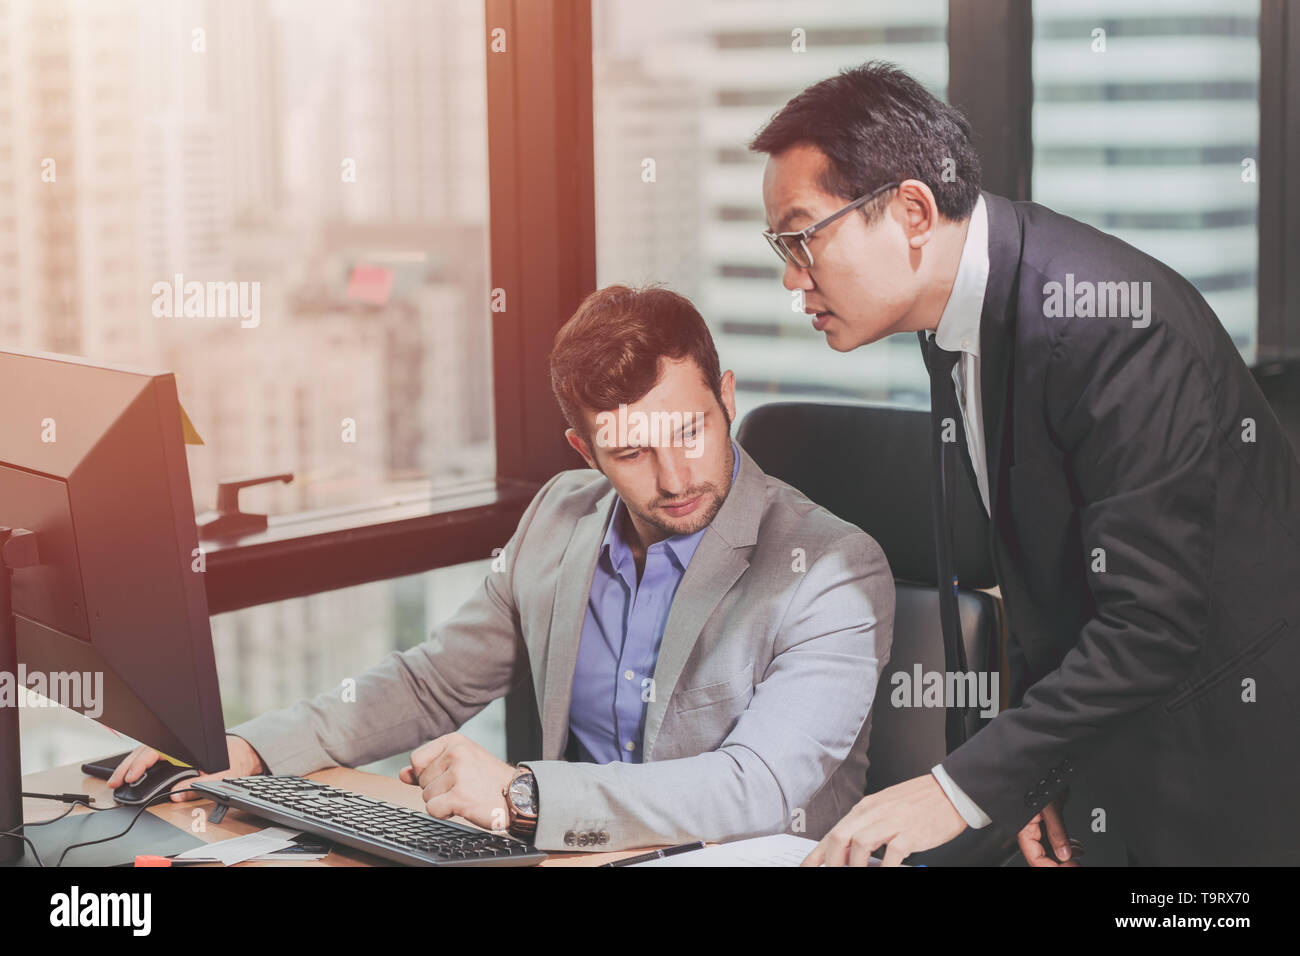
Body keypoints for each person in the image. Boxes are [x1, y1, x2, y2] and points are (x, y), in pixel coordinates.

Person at [110, 284, 895, 853]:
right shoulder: (560, 516)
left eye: (691, 430)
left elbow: (755, 786)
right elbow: (433, 683)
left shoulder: (832, 568)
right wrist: (249, 748)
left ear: (725, 398)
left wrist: (524, 795)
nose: (676, 475)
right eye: (631, 452)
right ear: (586, 453)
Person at [750, 61, 1300, 866]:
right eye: (780, 248)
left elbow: (1151, 623)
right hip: (1109, 737)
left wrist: (957, 787)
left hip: (1218, 753)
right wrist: (1033, 770)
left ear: (909, 209)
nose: (792, 282)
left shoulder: (1108, 327)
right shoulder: (957, 318)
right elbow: (1042, 569)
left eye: (803, 239)